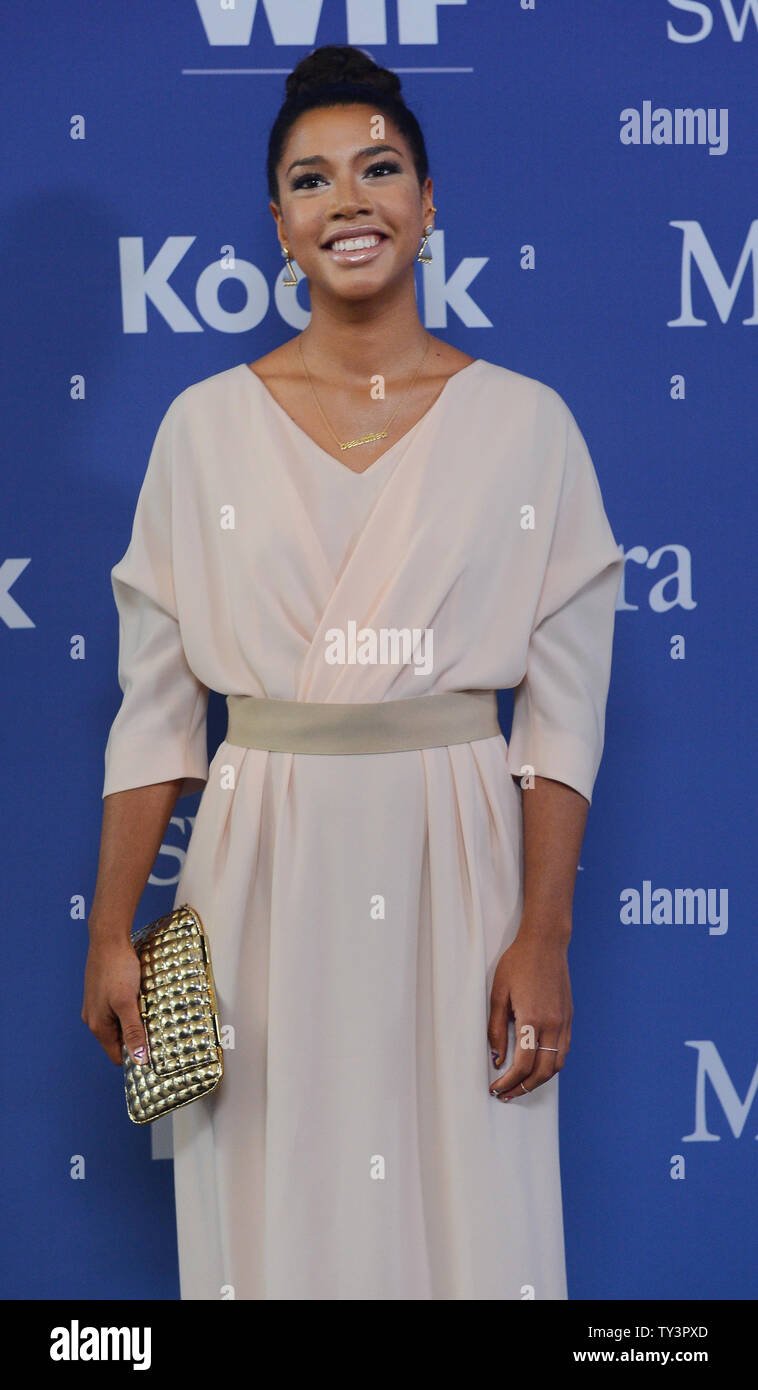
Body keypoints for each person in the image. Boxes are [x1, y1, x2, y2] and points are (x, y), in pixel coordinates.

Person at [83, 44, 624, 1301]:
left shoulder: (528, 426)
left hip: (461, 865)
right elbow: (156, 711)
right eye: (312, 180)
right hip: (259, 870)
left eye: (379, 168)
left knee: (468, 1208)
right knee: (271, 1207)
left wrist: (541, 933)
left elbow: (561, 712)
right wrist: (112, 931)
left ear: (428, 205)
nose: (349, 200)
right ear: (278, 224)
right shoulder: (202, 428)